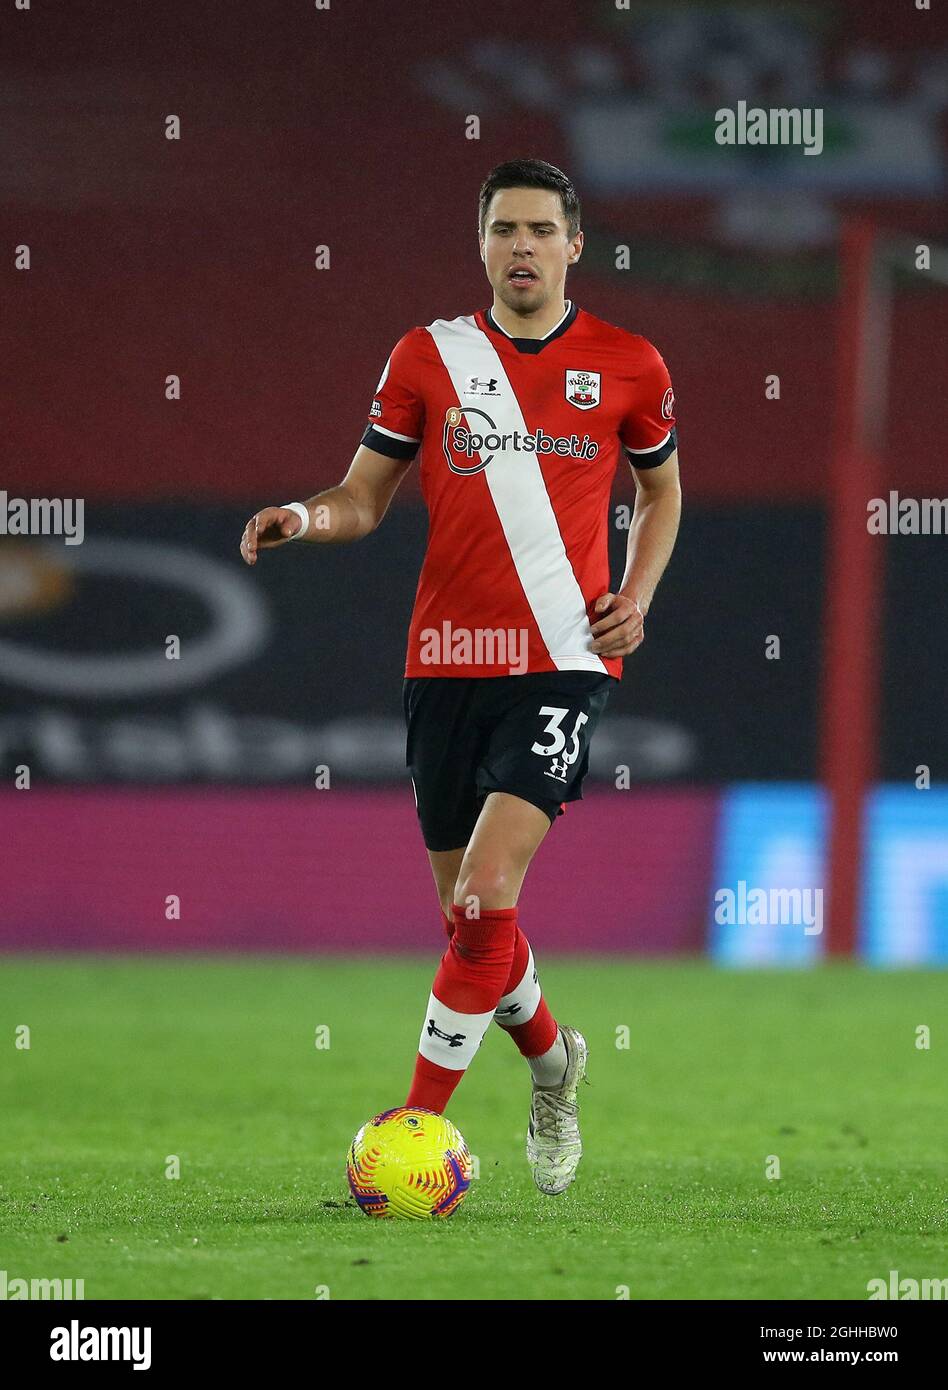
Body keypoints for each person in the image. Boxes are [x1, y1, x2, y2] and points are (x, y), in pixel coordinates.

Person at [239, 158, 681, 1195]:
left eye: (539, 229)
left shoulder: (630, 364)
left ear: (576, 245)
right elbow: (364, 495)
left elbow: (662, 495)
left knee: (489, 890)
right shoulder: (427, 357)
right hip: (444, 662)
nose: (520, 246)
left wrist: (639, 594)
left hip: (566, 659)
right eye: (502, 230)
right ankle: (554, 1063)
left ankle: (413, 1132)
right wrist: (307, 517)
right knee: (470, 924)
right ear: (480, 245)